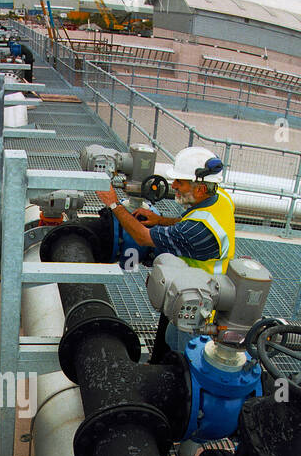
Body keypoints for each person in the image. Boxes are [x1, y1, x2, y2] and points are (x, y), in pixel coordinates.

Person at [96, 146, 235, 353]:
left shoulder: (198, 231)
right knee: (167, 339)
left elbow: (143, 238)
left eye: (181, 181)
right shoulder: (221, 197)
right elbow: (188, 220)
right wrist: (160, 220)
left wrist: (114, 205)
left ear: (200, 188)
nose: (174, 185)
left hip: (195, 309)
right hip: (191, 289)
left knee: (181, 357)